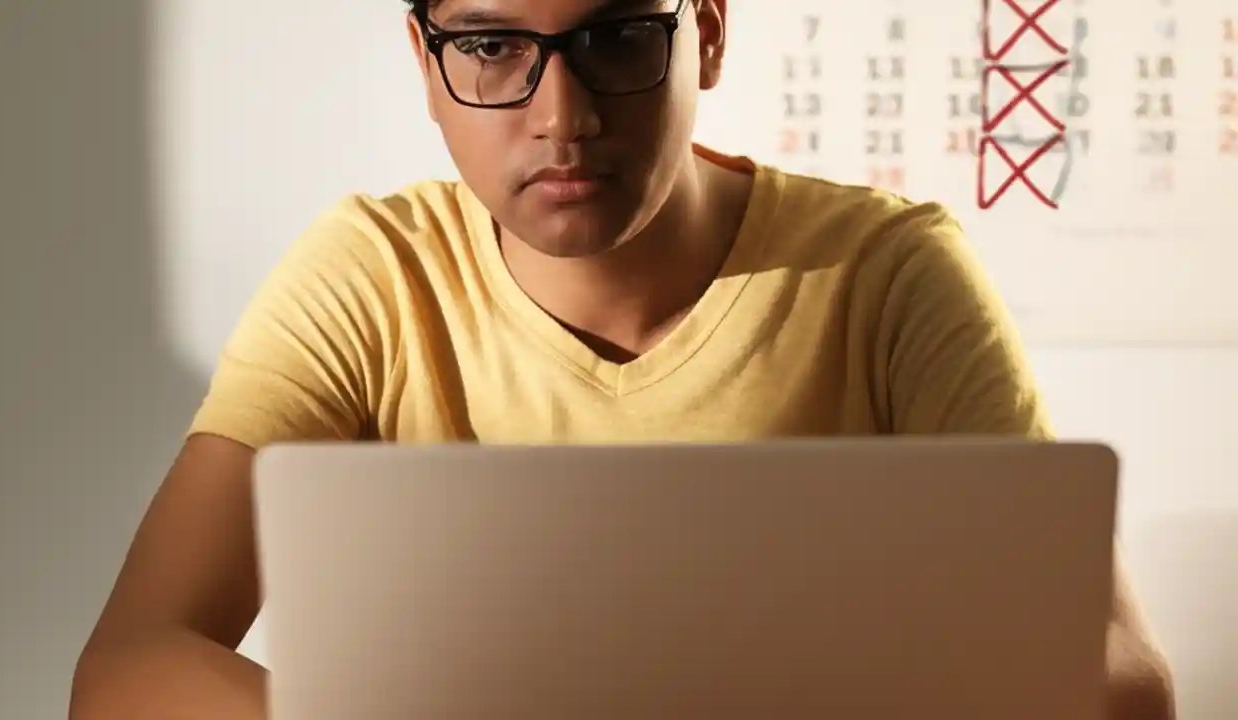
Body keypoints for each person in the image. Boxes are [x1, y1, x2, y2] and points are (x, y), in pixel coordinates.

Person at [69, 0, 1175, 718]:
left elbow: (1125, 681)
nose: (564, 117)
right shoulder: (370, 276)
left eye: (615, 39)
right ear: (423, 56)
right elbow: (127, 670)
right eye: (493, 45)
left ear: (707, 30)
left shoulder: (888, 273)